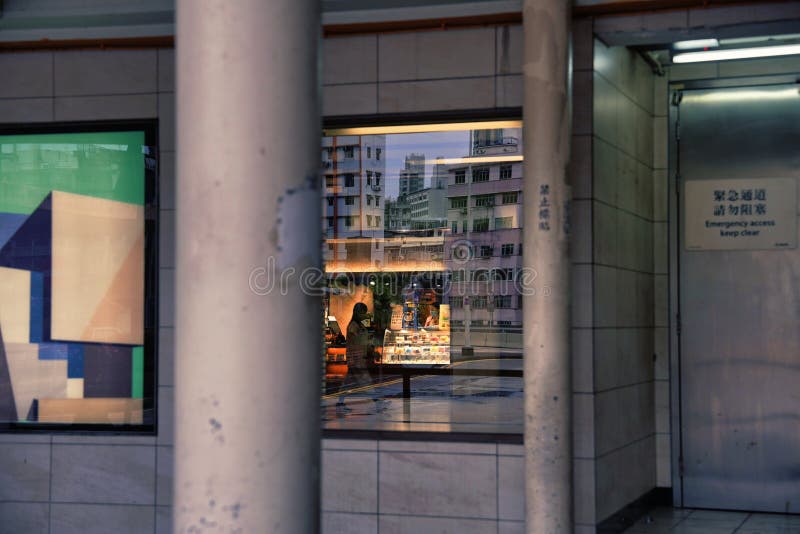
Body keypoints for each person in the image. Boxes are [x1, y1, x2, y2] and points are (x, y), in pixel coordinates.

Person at [336, 302, 389, 415]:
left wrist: (371, 350)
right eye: (363, 313)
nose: (364, 315)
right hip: (356, 359)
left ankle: (340, 404)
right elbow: (360, 341)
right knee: (366, 381)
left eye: (365, 313)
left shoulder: (360, 325)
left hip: (358, 358)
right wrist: (370, 348)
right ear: (357, 313)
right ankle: (378, 402)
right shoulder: (353, 326)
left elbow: (364, 341)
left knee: (348, 383)